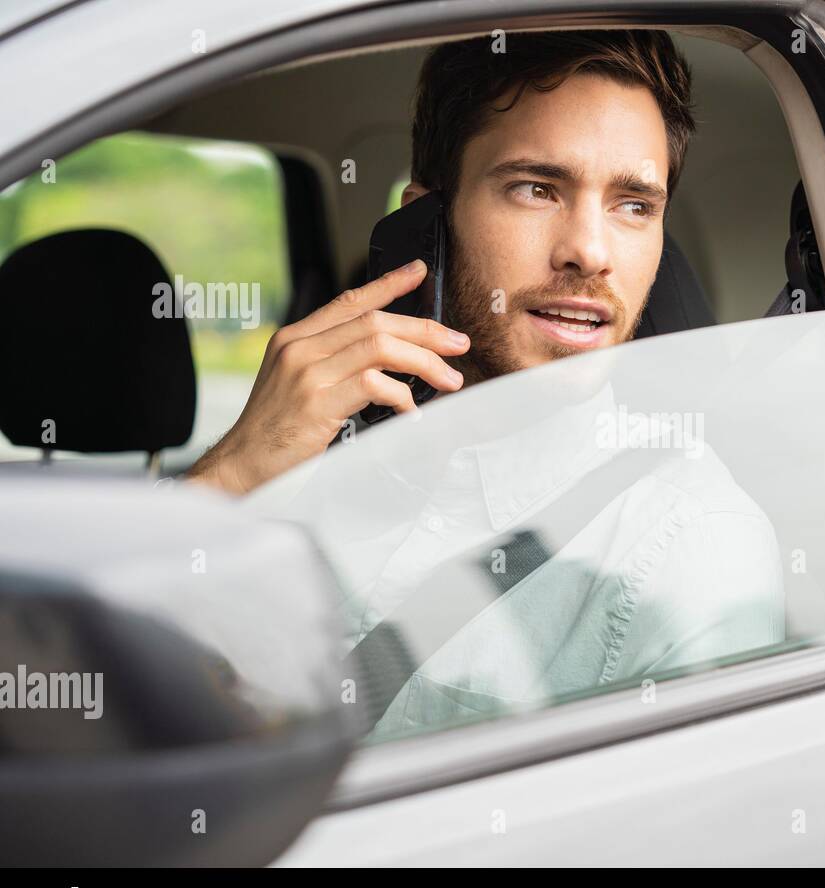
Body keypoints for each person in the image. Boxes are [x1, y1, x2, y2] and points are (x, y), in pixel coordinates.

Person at [190, 30, 785, 735]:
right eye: (537, 188)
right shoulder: (305, 462)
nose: (590, 253)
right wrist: (229, 476)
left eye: (633, 206)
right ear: (425, 223)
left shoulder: (691, 548)